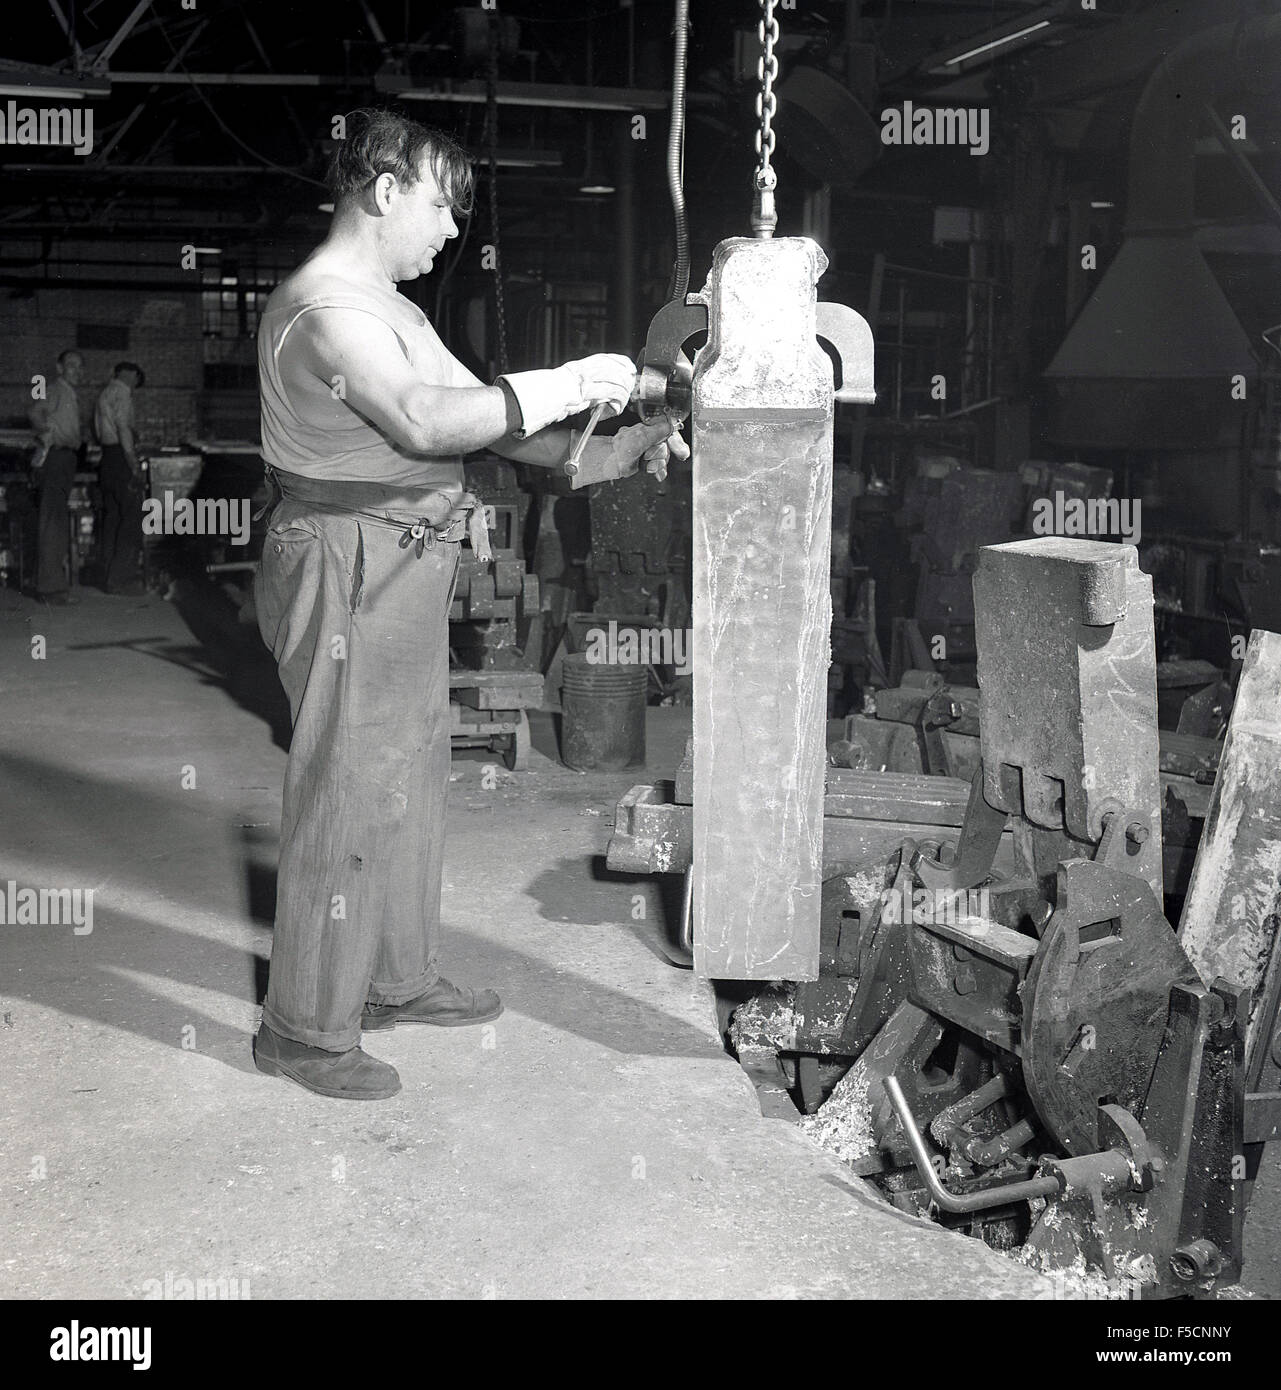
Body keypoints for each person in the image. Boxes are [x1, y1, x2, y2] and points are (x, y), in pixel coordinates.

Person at [252, 108, 687, 1100]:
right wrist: (569, 378)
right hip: (340, 558)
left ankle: (394, 978)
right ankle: (303, 1026)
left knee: (406, 773)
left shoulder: (395, 310)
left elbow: (484, 422)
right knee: (347, 786)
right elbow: (421, 417)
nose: (452, 233)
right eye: (444, 209)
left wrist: (612, 445)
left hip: (401, 559)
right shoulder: (326, 307)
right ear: (389, 188)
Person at [29, 349, 84, 605]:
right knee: (52, 522)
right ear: (60, 367)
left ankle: (53, 586)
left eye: (79, 366)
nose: (77, 370)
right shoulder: (55, 389)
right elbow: (34, 412)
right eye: (71, 365)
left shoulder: (69, 393)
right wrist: (45, 432)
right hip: (55, 458)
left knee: (57, 521)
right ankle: (50, 588)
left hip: (65, 458)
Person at [95, 361, 147, 596]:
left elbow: (99, 431)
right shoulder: (123, 394)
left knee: (112, 518)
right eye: (136, 380)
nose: (135, 385)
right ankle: (121, 579)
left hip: (106, 459)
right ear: (132, 375)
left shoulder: (104, 393)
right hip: (120, 459)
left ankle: (107, 574)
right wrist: (133, 464)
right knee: (133, 518)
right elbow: (124, 428)